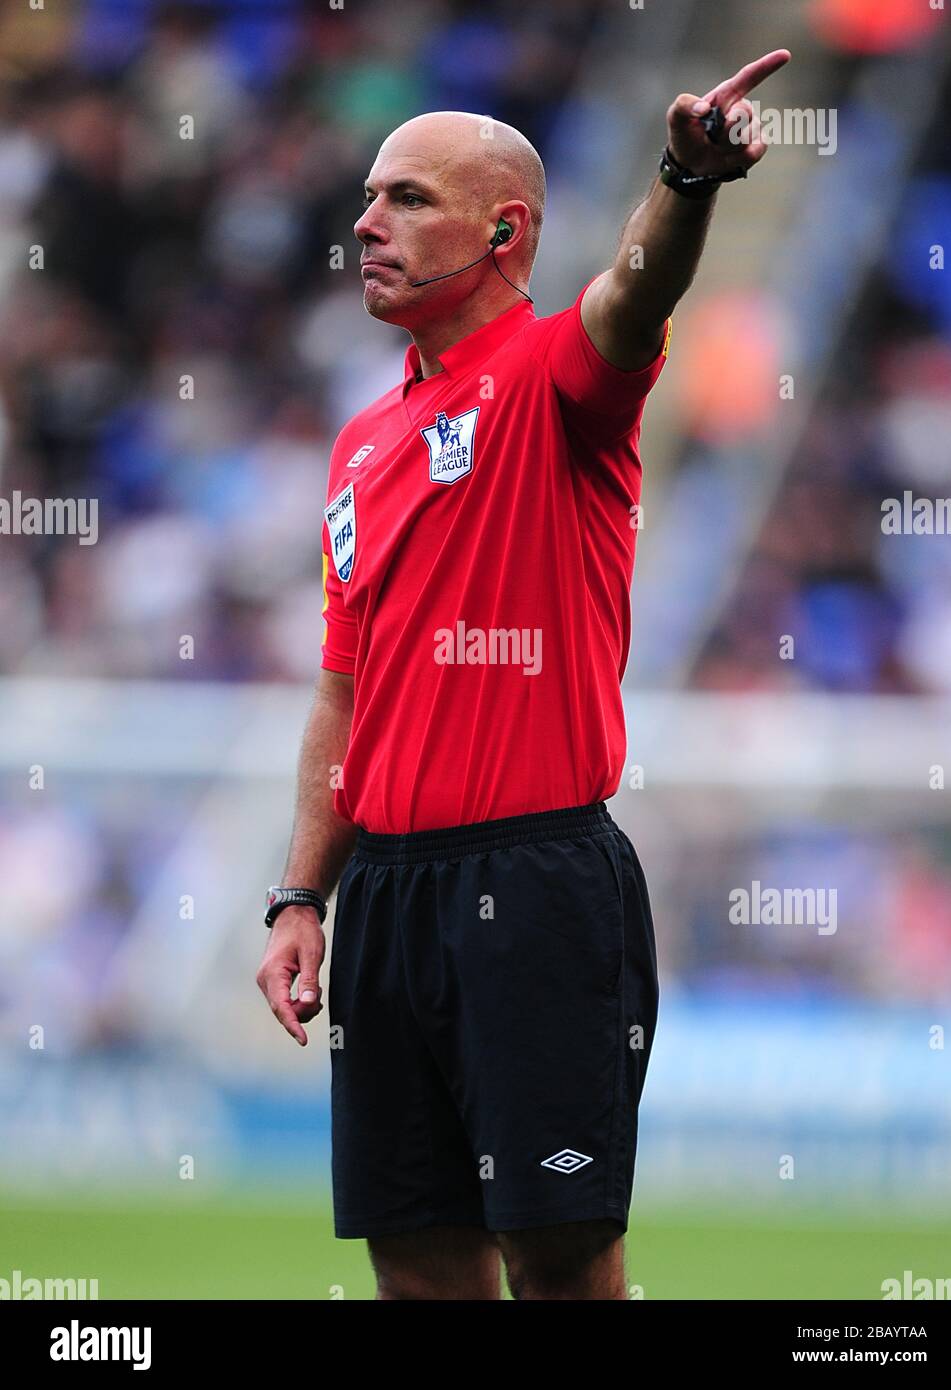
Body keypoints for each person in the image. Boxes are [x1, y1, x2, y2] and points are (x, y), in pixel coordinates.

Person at [257, 49, 791, 1300]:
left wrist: (683, 180)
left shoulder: (558, 381)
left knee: (558, 1260)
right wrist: (298, 896)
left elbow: (633, 292)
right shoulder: (361, 442)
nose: (363, 221)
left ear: (502, 231)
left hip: (536, 880)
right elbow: (344, 691)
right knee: (418, 1264)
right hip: (385, 898)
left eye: (404, 200)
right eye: (369, 197)